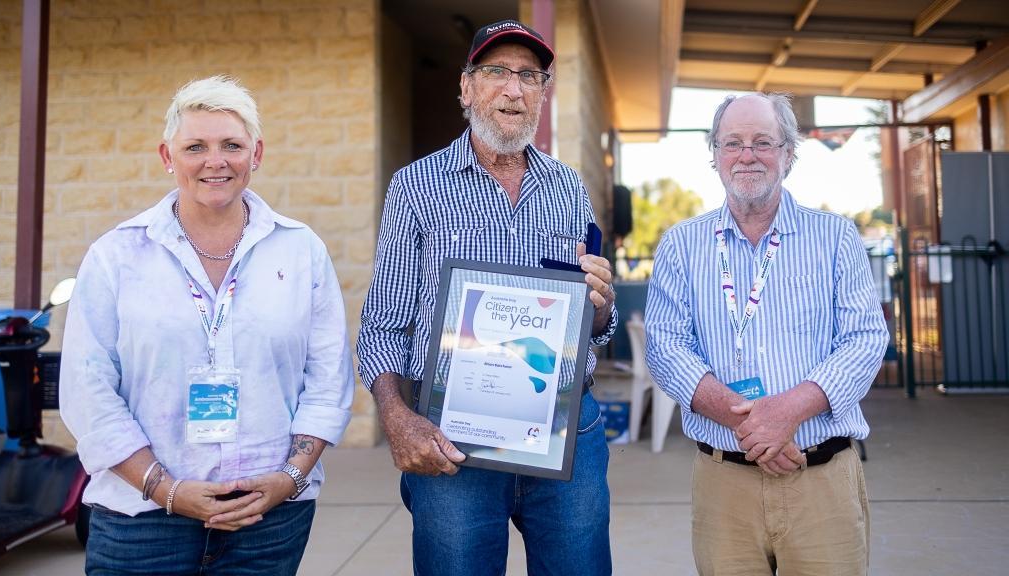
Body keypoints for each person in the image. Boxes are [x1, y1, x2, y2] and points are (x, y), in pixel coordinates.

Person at [60, 75, 354, 576]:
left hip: (268, 521)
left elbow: (328, 380)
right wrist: (165, 488)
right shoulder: (116, 256)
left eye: (231, 146)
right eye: (195, 146)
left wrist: (288, 479)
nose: (214, 161)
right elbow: (88, 391)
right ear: (167, 157)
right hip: (142, 521)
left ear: (256, 154)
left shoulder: (301, 250)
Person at [356, 19, 617, 576]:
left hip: (565, 425)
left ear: (543, 95)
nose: (514, 89)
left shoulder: (568, 187)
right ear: (466, 86)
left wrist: (600, 306)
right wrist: (397, 419)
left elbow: (597, 323)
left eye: (529, 76)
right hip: (454, 433)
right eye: (496, 71)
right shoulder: (416, 186)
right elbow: (382, 324)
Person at [645, 93, 888, 576]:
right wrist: (755, 426)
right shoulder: (681, 245)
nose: (747, 154)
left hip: (819, 478)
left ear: (789, 154)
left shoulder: (836, 238)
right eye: (732, 142)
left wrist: (787, 412)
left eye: (763, 142)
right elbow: (666, 347)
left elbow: (864, 339)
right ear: (714, 155)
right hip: (724, 486)